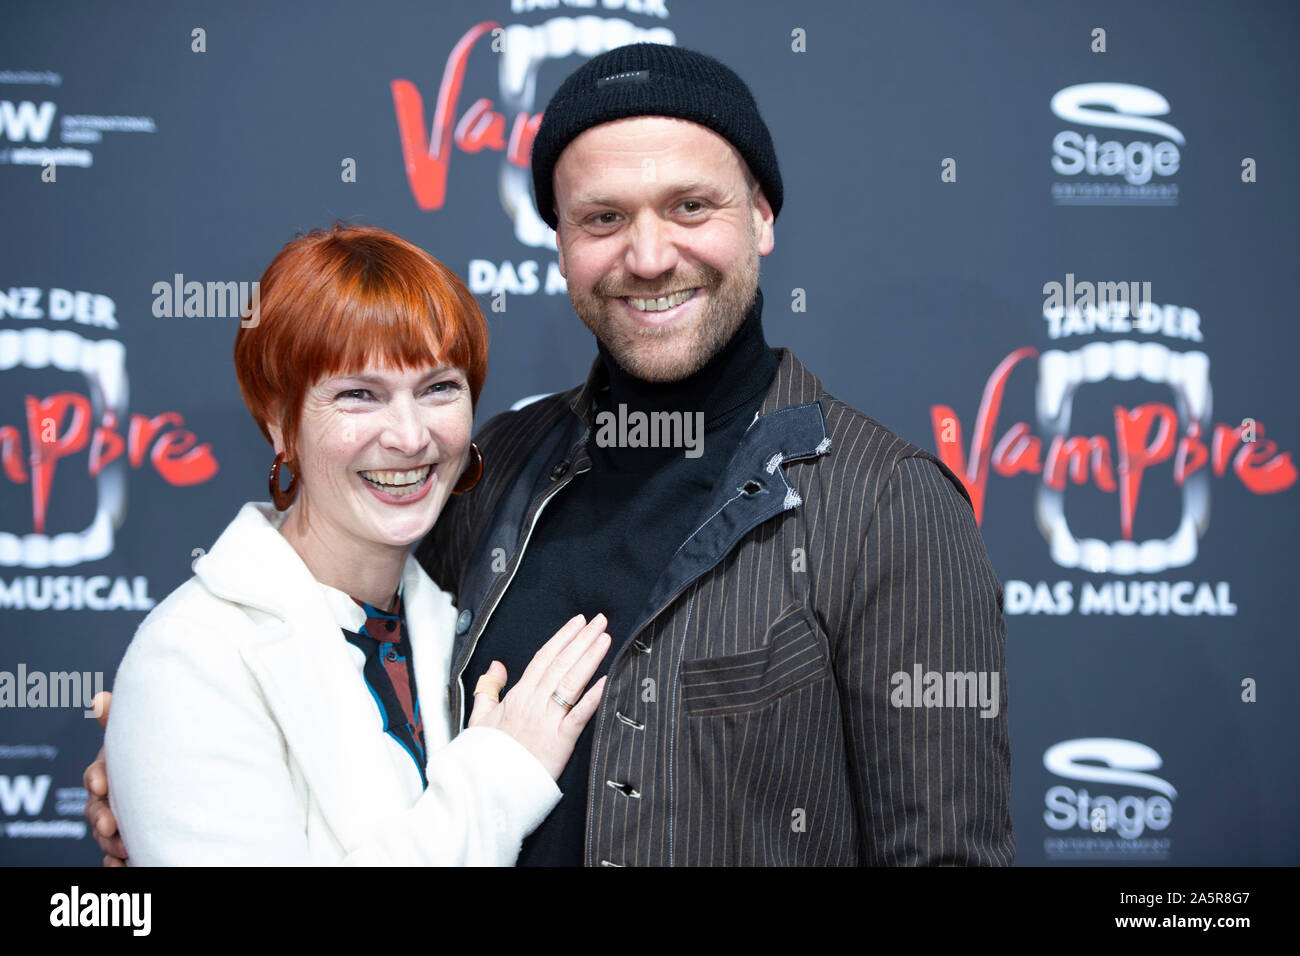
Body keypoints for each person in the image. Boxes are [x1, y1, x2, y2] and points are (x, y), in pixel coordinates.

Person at [89, 43, 1014, 866]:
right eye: (603, 219)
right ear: (562, 246)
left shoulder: (887, 502)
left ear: (762, 218)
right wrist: (178, 762)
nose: (649, 256)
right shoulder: (494, 471)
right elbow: (347, 683)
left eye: (691, 205)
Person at [96, 223, 610, 865]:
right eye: (358, 395)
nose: (409, 436)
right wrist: (501, 778)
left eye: (438, 388)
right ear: (280, 422)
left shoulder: (457, 619)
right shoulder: (193, 655)